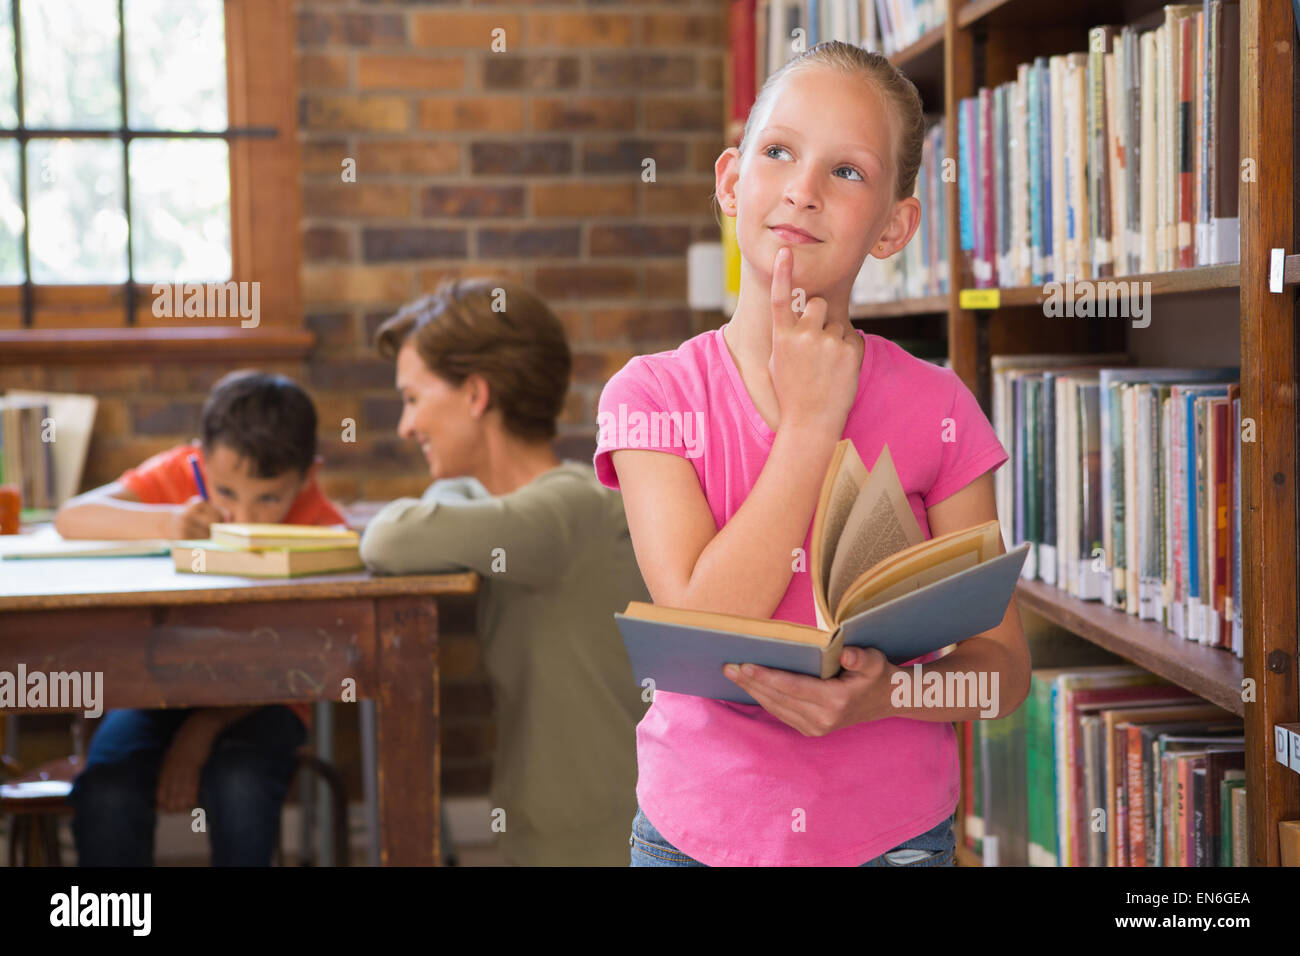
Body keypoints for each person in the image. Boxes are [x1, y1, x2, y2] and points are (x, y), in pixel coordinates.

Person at [595, 40, 1031, 867]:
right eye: (779, 151)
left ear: (894, 227)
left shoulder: (938, 409)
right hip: (696, 837)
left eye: (849, 172)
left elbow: (1002, 676)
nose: (802, 188)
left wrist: (888, 696)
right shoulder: (651, 396)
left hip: (894, 841)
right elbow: (703, 623)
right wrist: (810, 426)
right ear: (731, 180)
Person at [358, 277, 650, 866]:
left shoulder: (561, 513)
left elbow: (388, 538)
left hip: (597, 850)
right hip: (553, 838)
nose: (405, 426)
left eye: (414, 399)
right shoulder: (543, 510)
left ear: (475, 396)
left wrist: (451, 490)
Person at [58, 370, 345, 865]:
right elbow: (71, 518)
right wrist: (167, 521)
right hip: (159, 689)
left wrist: (204, 729)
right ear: (200, 458)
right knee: (107, 789)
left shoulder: (321, 524)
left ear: (307, 476)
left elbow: (301, 656)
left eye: (268, 498)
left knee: (238, 784)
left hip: (265, 698)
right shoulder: (177, 475)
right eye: (226, 493)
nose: (242, 519)